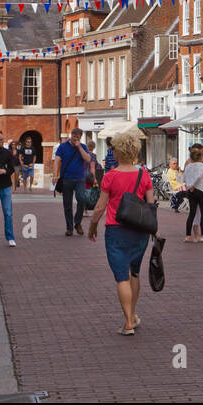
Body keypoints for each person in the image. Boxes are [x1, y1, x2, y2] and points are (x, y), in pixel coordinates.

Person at [86, 126, 156, 335]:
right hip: (139, 231)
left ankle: (127, 322)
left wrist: (92, 226)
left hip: (116, 230)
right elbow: (151, 205)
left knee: (121, 276)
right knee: (134, 273)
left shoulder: (110, 176)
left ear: (118, 152)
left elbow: (100, 206)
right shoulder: (144, 175)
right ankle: (133, 315)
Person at [52, 127, 95, 236]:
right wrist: (54, 175)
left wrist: (79, 147)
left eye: (78, 137)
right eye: (74, 136)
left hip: (80, 178)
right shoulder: (63, 147)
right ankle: (69, 227)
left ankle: (77, 222)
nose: (75, 138)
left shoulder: (83, 147)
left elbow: (88, 159)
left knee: (82, 198)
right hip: (66, 178)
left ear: (80, 137)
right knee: (67, 204)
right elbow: (56, 161)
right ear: (71, 135)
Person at [182, 145, 203, 243]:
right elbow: (200, 176)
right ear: (200, 157)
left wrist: (189, 185)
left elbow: (184, 178)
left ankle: (187, 236)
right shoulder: (201, 165)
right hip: (200, 190)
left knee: (192, 213)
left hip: (191, 191)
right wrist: (193, 183)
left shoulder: (188, 166)